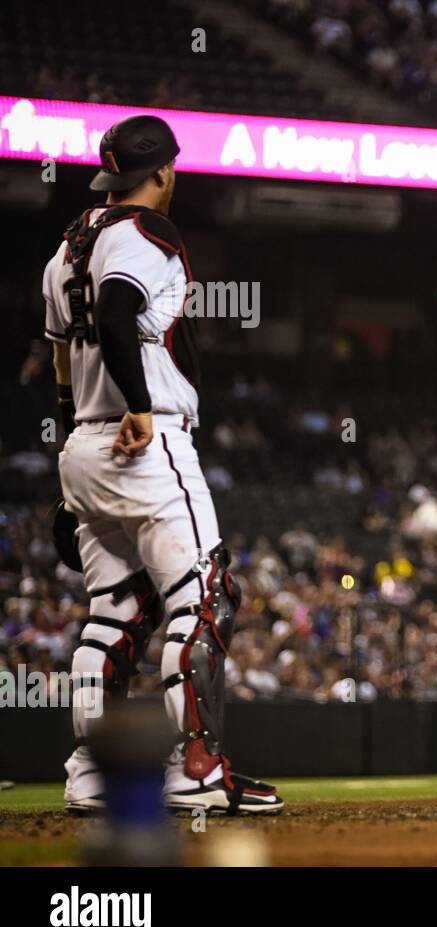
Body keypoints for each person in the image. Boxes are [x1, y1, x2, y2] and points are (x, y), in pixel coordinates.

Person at [45, 115, 282, 815]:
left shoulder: (65, 247)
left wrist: (73, 438)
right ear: (163, 174)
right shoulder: (148, 233)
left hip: (84, 445)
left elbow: (62, 354)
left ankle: (90, 773)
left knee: (112, 612)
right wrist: (141, 407)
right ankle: (196, 767)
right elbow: (119, 311)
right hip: (143, 446)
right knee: (203, 597)